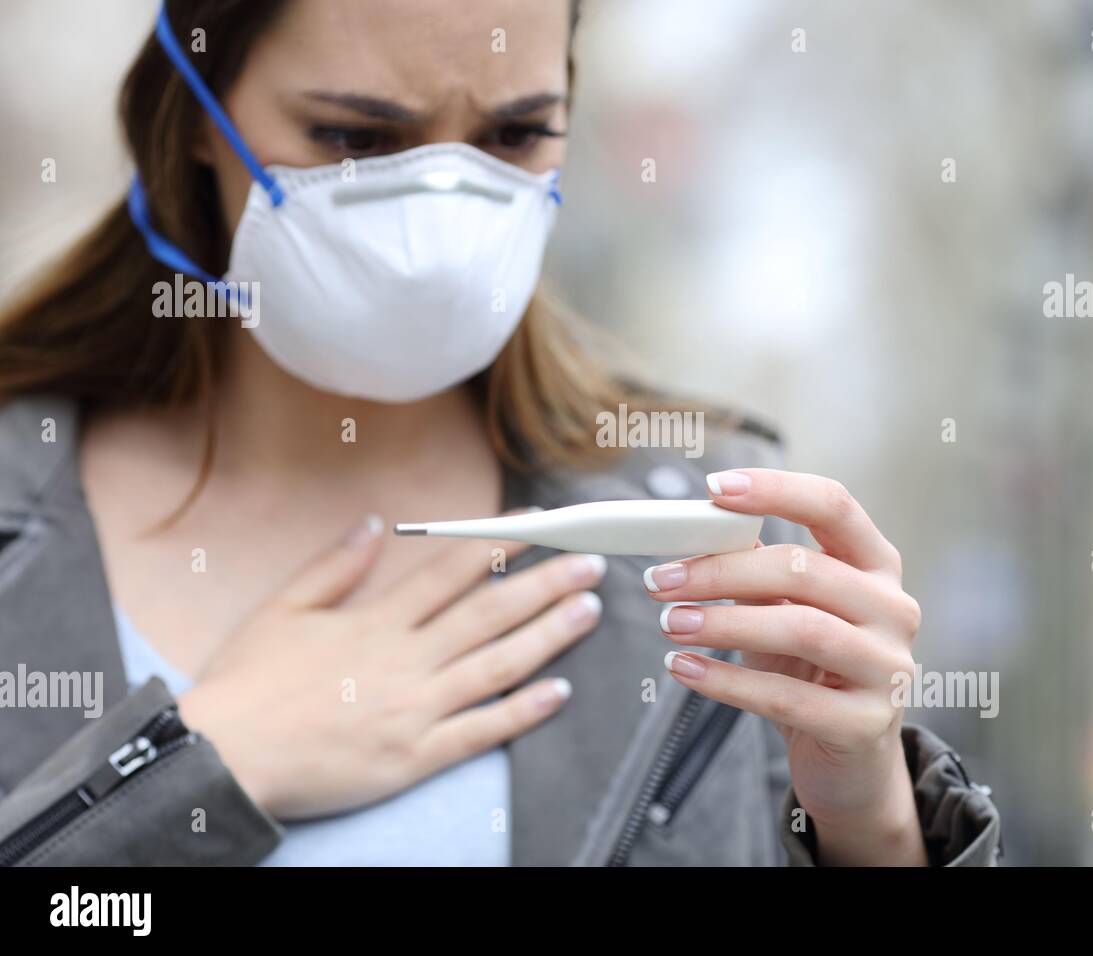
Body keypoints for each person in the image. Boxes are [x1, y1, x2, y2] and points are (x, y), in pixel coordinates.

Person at [0, 0, 1000, 866]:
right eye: (356, 137)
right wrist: (191, 769)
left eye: (516, 135)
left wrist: (869, 819)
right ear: (193, 114)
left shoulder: (708, 535)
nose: (438, 226)